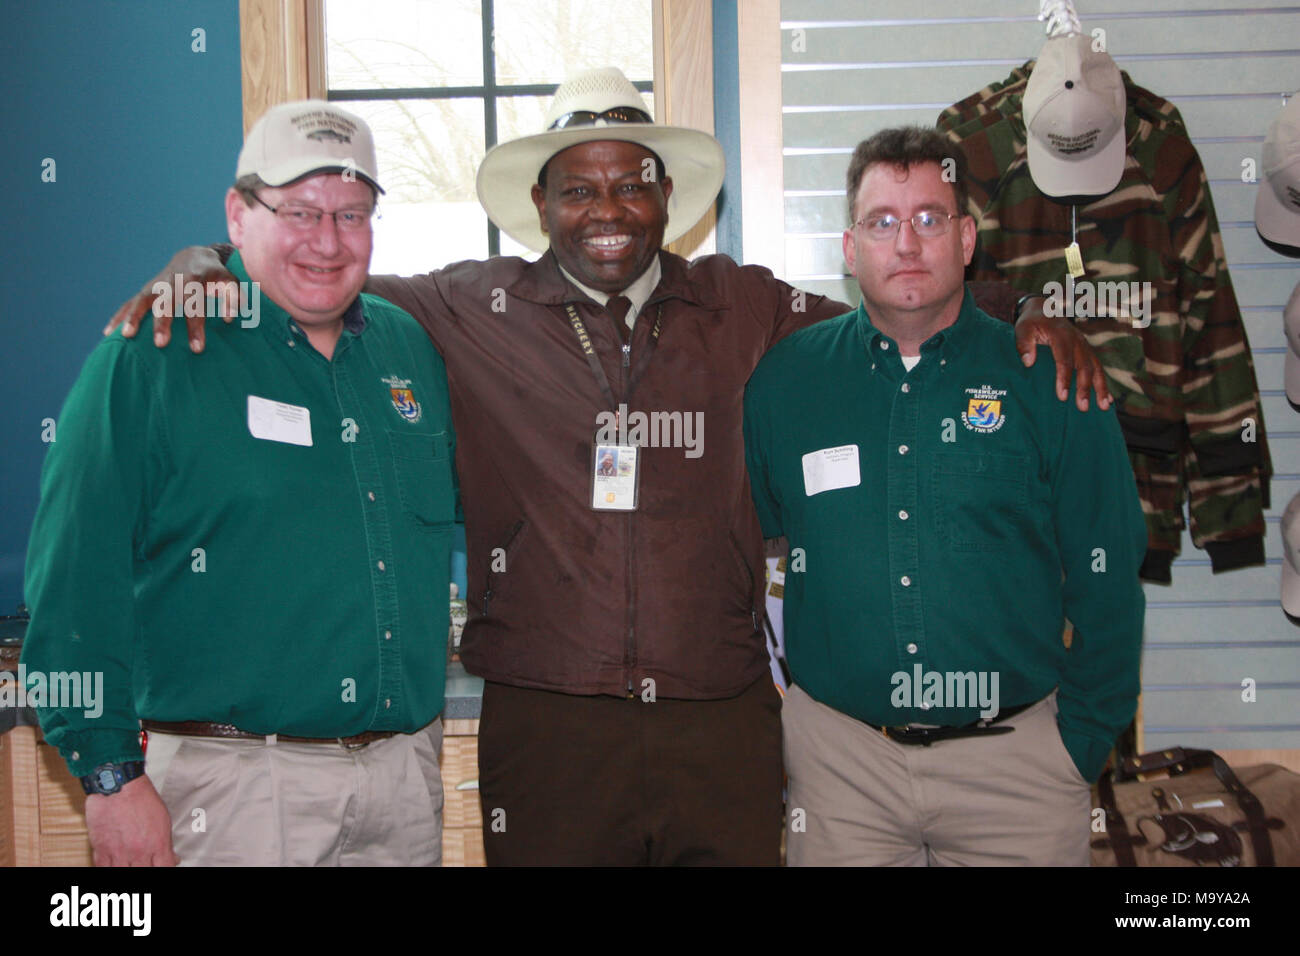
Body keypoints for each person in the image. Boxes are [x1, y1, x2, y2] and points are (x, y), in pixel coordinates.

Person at [107, 70, 1108, 866]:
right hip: (551, 729)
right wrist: (206, 259)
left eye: (632, 180)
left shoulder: (746, 305)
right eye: (579, 186)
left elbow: (904, 305)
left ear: (668, 194)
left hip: (719, 718)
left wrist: (1022, 306)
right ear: (539, 202)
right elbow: (315, 272)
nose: (609, 206)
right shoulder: (463, 308)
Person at [23, 100, 457, 866]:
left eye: (351, 215)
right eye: (298, 211)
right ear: (238, 212)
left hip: (401, 784)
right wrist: (110, 778)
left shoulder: (408, 348)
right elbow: (70, 583)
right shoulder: (153, 354)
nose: (326, 241)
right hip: (235, 794)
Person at [743, 126, 1146, 866]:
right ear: (849, 246)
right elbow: (746, 558)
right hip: (841, 775)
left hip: (1019, 770)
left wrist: (1083, 740)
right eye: (882, 222)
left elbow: (1109, 571)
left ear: (965, 240)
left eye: (929, 219)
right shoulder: (785, 384)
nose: (906, 244)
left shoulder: (1048, 378)